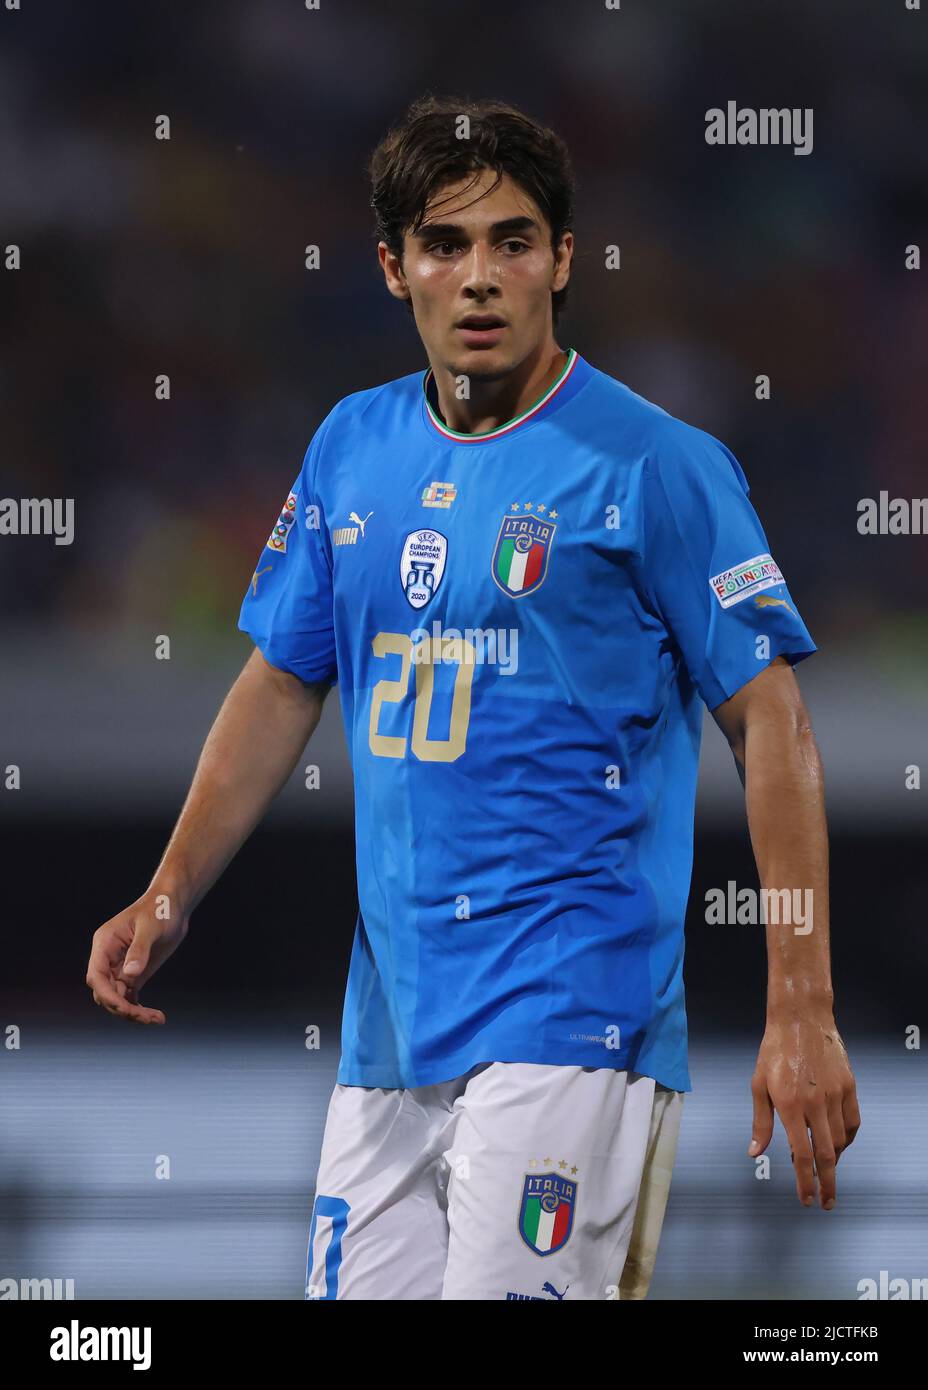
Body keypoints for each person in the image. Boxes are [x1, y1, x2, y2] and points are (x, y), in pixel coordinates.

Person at [86, 94, 860, 1301]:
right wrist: (170, 890)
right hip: (389, 1029)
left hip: (573, 1014)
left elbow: (774, 721)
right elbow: (284, 678)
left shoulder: (656, 466)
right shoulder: (352, 444)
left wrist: (799, 1001)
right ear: (396, 270)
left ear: (561, 258)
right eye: (447, 245)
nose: (482, 276)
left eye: (512, 240)